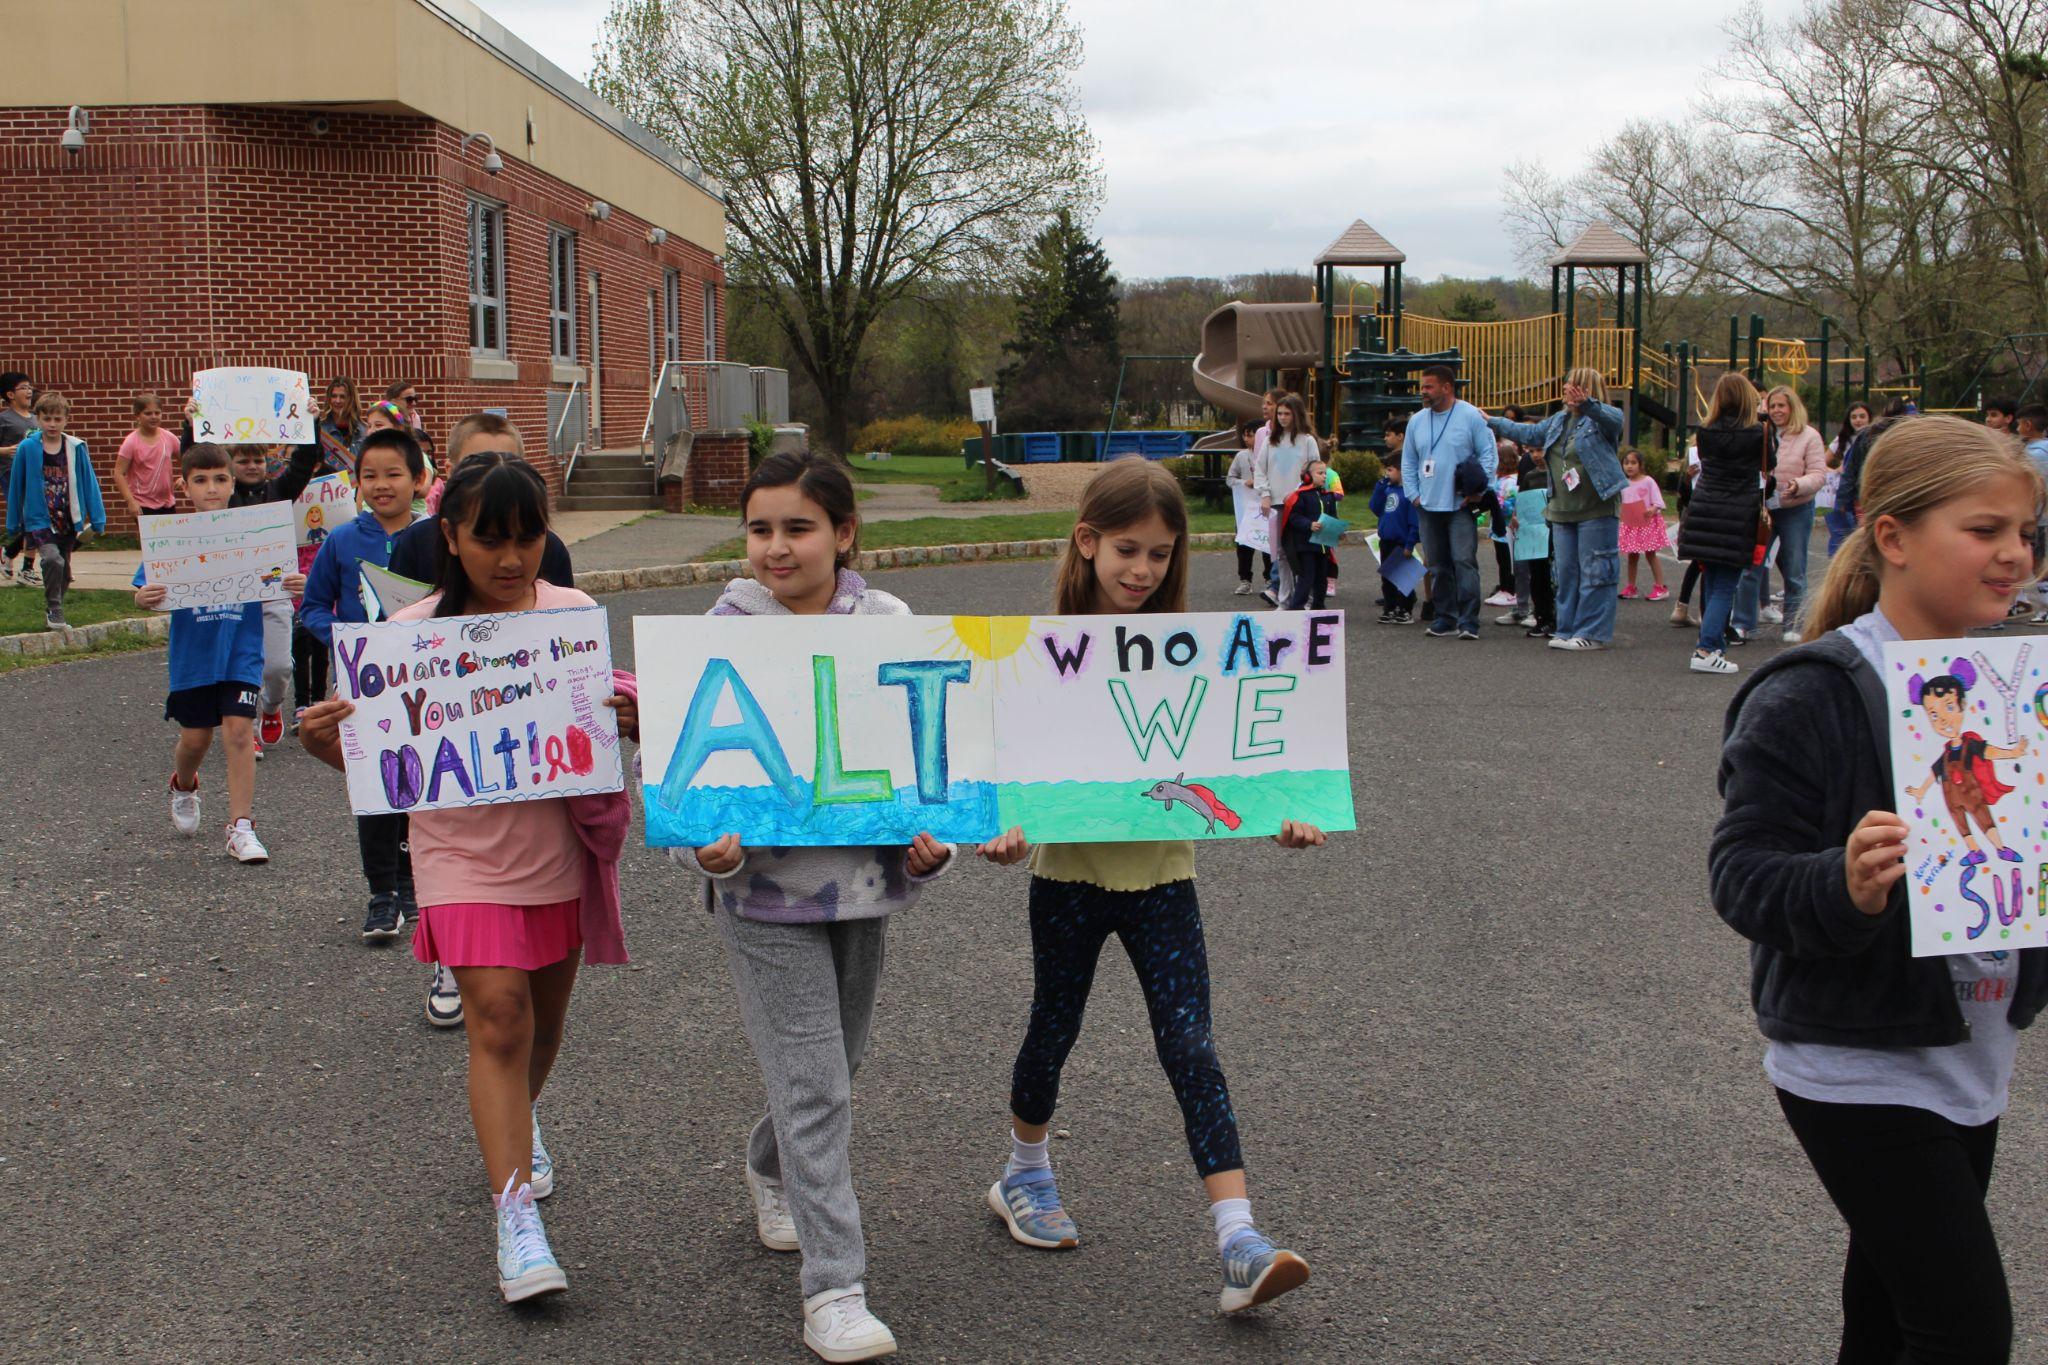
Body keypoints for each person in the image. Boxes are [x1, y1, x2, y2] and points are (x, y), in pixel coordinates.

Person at [1712, 415, 2047, 1361]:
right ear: (1891, 537)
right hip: (1858, 1063)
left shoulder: (2015, 687)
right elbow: (1741, 875)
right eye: (1983, 531)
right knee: (1965, 1329)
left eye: (2025, 533)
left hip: (1972, 1053)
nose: (2013, 555)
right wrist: (1845, 883)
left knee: (1892, 1317)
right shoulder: (1812, 693)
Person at [974, 458, 1329, 1318]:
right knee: (1052, 1028)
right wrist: (1003, 830)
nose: (1142, 569)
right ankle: (1023, 1171)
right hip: (1068, 876)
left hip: (1164, 876)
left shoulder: (1195, 653)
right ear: (1087, 542)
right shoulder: (1038, 651)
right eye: (1127, 549)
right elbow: (1003, 768)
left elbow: (1240, 753)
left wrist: (1283, 809)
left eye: (1161, 554)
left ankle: (1239, 1238)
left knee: (1191, 1045)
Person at [299, 455, 637, 1307]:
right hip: (455, 856)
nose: (511, 557)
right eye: (490, 537)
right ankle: (515, 1217)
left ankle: (517, 1129)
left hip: (555, 854)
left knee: (544, 1029)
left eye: (528, 537)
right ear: (449, 536)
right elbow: (366, 756)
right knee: (499, 1015)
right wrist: (319, 739)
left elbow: (608, 725)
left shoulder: (573, 617)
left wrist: (632, 713)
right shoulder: (403, 636)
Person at [673, 452, 950, 1364]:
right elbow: (688, 775)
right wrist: (701, 845)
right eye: (760, 528)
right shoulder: (716, 632)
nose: (777, 546)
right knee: (818, 1082)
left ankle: (767, 1164)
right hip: (759, 893)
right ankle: (835, 1288)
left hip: (862, 889)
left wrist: (933, 839)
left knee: (838, 1063)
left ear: (844, 533)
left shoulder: (891, 625)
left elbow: (929, 760)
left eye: (798, 527)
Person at [132, 443, 305, 864]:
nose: (212, 488)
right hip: (194, 657)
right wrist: (144, 597)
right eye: (201, 480)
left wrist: (293, 583)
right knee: (195, 739)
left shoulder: (255, 533)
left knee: (239, 732)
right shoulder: (170, 539)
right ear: (184, 486)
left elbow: (278, 577)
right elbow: (145, 589)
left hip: (241, 652)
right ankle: (184, 784)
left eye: (221, 479)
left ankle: (241, 827)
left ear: (232, 483)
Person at [300, 427, 432, 941]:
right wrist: (346, 641)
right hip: (364, 683)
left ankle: (413, 879)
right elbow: (312, 607)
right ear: (355, 482)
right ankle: (382, 892)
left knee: (422, 778)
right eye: (369, 475)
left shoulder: (437, 535)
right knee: (375, 779)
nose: (381, 485)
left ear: (418, 479)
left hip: (424, 681)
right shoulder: (343, 540)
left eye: (394, 474)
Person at [1485, 367, 1627, 651]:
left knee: (1596, 571)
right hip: (1562, 510)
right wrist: (1491, 421)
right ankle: (1567, 628)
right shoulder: (1558, 421)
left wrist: (1587, 405)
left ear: (1585, 388)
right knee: (1565, 573)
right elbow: (1528, 431)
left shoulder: (1603, 420)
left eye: (1571, 385)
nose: (1564, 388)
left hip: (1596, 509)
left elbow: (1615, 419)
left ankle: (1592, 633)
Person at [387, 414, 576, 590]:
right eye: (477, 466)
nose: (494, 477)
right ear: (450, 471)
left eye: (507, 464)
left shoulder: (547, 547)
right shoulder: (416, 542)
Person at [223, 432, 323, 760]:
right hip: (234, 596)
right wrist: (189, 422)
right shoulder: (222, 495)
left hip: (273, 592)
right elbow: (195, 458)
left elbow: (304, 462)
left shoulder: (278, 492)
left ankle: (271, 706)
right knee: (241, 670)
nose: (252, 466)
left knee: (278, 668)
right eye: (243, 461)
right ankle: (247, 730)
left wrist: (309, 423)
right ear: (230, 465)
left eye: (258, 460)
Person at [1675, 374, 1766, 675]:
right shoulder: (1757, 433)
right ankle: (1706, 647)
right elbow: (1769, 467)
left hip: (1705, 506)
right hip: (1737, 511)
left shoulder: (1706, 431)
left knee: (1712, 578)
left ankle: (1714, 647)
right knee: (1727, 584)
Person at [1405, 364, 1495, 639]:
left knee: (1464, 561)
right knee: (1437, 564)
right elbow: (1408, 461)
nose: (1424, 392)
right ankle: (1445, 616)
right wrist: (1414, 495)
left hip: (1459, 506)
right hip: (1428, 507)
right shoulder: (1417, 420)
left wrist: (1480, 490)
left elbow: (1488, 454)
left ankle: (1469, 621)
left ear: (1447, 387)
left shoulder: (1470, 416)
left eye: (1429, 387)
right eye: (1422, 387)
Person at [5, 392, 105, 631]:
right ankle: (54, 609)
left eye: (57, 419)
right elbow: (16, 484)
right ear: (38, 419)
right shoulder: (28, 448)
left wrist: (98, 517)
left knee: (64, 568)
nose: (52, 424)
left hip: (67, 517)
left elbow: (88, 482)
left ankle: (55, 606)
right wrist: (13, 521)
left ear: (66, 420)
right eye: (47, 418)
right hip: (39, 517)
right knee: (52, 559)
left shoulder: (76, 447)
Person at [1739, 386, 1828, 643]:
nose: (1776, 410)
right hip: (1763, 508)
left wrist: (1799, 485)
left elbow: (1818, 474)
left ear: (1792, 408)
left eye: (1781, 406)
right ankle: (1743, 623)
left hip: (1795, 509)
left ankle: (1794, 624)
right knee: (1752, 566)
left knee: (1794, 569)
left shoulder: (1809, 436)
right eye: (1772, 405)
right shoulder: (1759, 432)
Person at [1253, 393, 1318, 607]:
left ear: (1296, 415)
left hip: (1301, 505)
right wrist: (1265, 494)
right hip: (1277, 503)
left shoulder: (1307, 441)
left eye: (1287, 414)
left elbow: (1316, 471)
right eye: (1279, 413)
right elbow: (1260, 469)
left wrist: (1305, 492)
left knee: (1304, 552)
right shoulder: (1270, 442)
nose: (1282, 418)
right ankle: (1283, 599)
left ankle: (1304, 598)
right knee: (1281, 553)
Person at [1507, 443, 1555, 638]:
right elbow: (1523, 500)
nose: (1536, 455)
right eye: (1532, 451)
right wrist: (1515, 516)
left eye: (1540, 450)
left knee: (1555, 577)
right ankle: (1541, 617)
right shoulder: (1530, 476)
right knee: (1537, 575)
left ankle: (1557, 618)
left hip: (1555, 529)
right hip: (1534, 533)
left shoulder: (1556, 474)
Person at [114, 392, 182, 524]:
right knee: (150, 544)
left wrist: (185, 476)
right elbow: (118, 473)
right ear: (137, 415)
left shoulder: (169, 438)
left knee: (170, 541)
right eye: (148, 413)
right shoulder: (131, 442)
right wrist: (131, 501)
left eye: (157, 413)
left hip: (167, 503)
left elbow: (188, 461)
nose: (154, 417)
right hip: (143, 505)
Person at [1280, 455, 1336, 609]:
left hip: (1323, 546)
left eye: (1325, 473)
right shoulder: (1301, 495)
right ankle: (1296, 607)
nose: (1324, 476)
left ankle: (1319, 607)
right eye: (1319, 473)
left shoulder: (1328, 496)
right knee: (1306, 578)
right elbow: (1294, 517)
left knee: (1322, 579)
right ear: (1307, 476)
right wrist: (1309, 524)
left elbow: (1332, 517)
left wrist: (1338, 531)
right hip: (1306, 546)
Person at [1369, 453, 1419, 623]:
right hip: (1386, 540)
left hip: (1401, 541)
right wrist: (1380, 487)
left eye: (1390, 470)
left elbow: (1414, 522)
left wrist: (1410, 544)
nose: (1387, 473)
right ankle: (1389, 608)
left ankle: (1405, 609)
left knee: (1403, 578)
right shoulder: (1387, 490)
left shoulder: (1408, 494)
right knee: (1387, 578)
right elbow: (1375, 507)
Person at [1617, 449, 1669, 601]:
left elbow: (1658, 502)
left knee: (1650, 553)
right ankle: (1631, 586)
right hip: (1631, 524)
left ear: (1640, 465)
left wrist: (1652, 509)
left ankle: (1660, 586)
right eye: (1626, 463)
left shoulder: (1648, 481)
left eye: (1633, 463)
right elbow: (1621, 502)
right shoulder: (1623, 483)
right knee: (1632, 555)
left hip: (1647, 522)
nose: (1629, 466)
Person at [1823, 401, 1872, 556]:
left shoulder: (1873, 437)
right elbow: (1820, 462)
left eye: (1862, 416)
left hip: (1864, 491)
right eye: (1854, 417)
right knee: (1841, 534)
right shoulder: (1843, 439)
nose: (1858, 420)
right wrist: (1836, 470)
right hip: (1843, 490)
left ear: (1870, 418)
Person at [0, 371, 36, 584]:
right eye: (23, 387)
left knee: (37, 519)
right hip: (11, 474)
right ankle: (26, 568)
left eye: (30, 387)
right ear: (10, 394)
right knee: (31, 519)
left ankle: (9, 553)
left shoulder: (35, 419)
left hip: (35, 475)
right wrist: (6, 451)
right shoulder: (4, 419)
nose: (29, 391)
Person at [1226, 417, 1267, 594]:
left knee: (1267, 545)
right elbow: (1230, 479)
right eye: (1245, 435)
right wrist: (1244, 483)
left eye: (1251, 435)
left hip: (1265, 506)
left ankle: (1270, 579)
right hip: (1245, 508)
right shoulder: (1241, 456)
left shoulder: (1268, 454)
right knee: (1244, 544)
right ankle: (1245, 580)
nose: (1247, 439)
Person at [1484, 440, 1519, 608]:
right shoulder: (1501, 480)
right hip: (1499, 530)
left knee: (1507, 560)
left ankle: (1510, 590)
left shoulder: (1510, 482)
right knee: (1501, 559)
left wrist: (1495, 504)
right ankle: (1504, 587)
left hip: (1506, 530)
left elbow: (1508, 505)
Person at [316, 377, 365, 476]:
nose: (337, 401)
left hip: (359, 488)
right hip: (330, 487)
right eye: (334, 396)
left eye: (342, 397)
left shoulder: (364, 430)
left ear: (351, 399)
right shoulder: (319, 430)